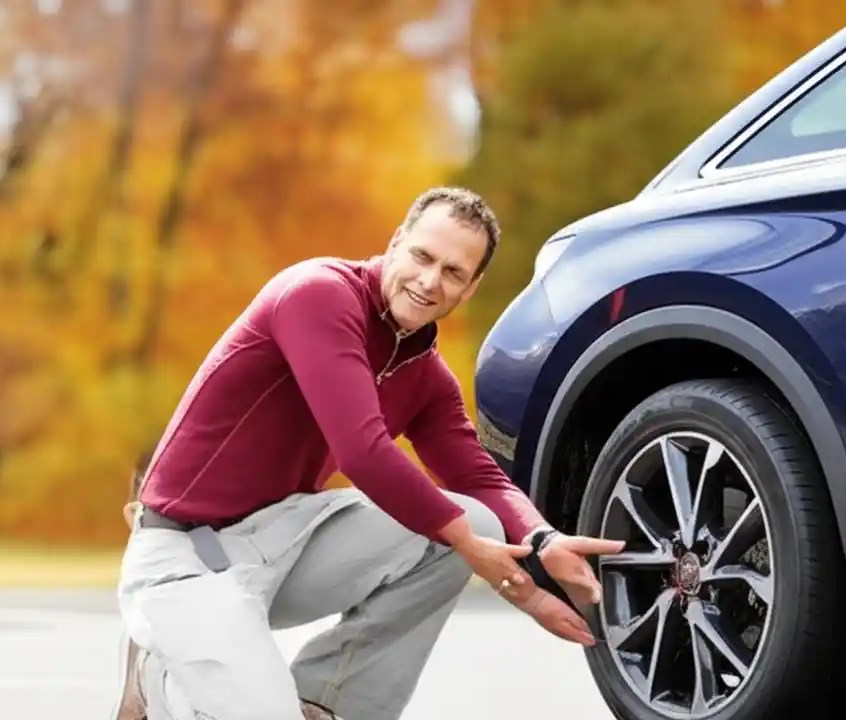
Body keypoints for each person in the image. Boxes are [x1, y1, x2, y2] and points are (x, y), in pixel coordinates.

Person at [111, 187, 625, 720]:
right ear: (397, 242)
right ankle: (157, 680)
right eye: (423, 257)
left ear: (471, 287)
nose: (430, 281)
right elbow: (362, 451)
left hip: (285, 538)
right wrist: (481, 558)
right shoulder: (318, 295)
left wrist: (543, 541)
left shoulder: (426, 376)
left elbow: (479, 477)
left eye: (453, 272)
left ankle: (327, 703)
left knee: (477, 520)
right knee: (461, 532)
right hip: (187, 554)